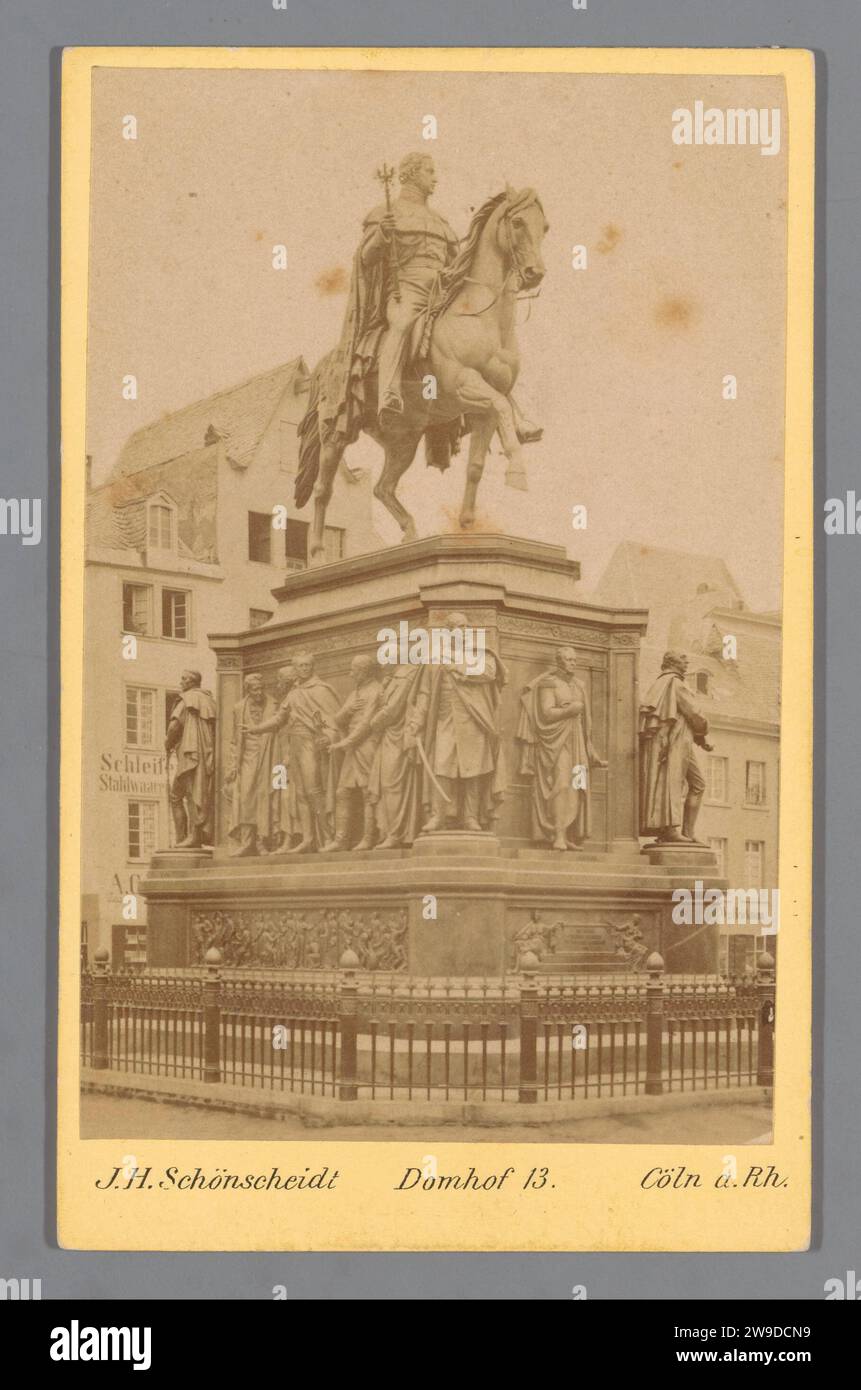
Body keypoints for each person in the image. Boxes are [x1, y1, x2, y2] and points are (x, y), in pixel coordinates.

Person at [516, 646, 607, 851]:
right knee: (562, 784)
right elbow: (546, 714)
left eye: (574, 660)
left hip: (577, 743)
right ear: (559, 661)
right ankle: (557, 834)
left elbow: (586, 723)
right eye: (568, 659)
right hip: (556, 743)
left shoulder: (579, 685)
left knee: (578, 785)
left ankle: (567, 834)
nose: (572, 663)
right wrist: (570, 710)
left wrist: (590, 750)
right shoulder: (548, 683)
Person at [639, 650, 712, 844]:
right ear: (671, 662)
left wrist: (700, 738)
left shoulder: (662, 683)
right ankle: (670, 829)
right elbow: (695, 713)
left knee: (697, 784)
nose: (687, 661)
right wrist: (703, 731)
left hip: (682, 738)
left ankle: (687, 832)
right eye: (682, 659)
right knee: (672, 782)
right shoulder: (675, 683)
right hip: (674, 739)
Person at [226, 673, 278, 857]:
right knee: (247, 798)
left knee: (267, 796)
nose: (259, 692)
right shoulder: (239, 708)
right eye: (255, 689)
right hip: (248, 757)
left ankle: (262, 842)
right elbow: (235, 739)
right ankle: (247, 841)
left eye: (261, 688)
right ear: (247, 690)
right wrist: (233, 765)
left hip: (270, 755)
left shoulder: (274, 704)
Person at [165, 670, 216, 848]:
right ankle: (192, 837)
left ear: (192, 682)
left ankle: (187, 838)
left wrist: (168, 743)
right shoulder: (210, 701)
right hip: (206, 755)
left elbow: (174, 727)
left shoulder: (187, 699)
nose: (181, 682)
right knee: (197, 793)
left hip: (190, 754)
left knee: (180, 795)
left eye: (184, 679)